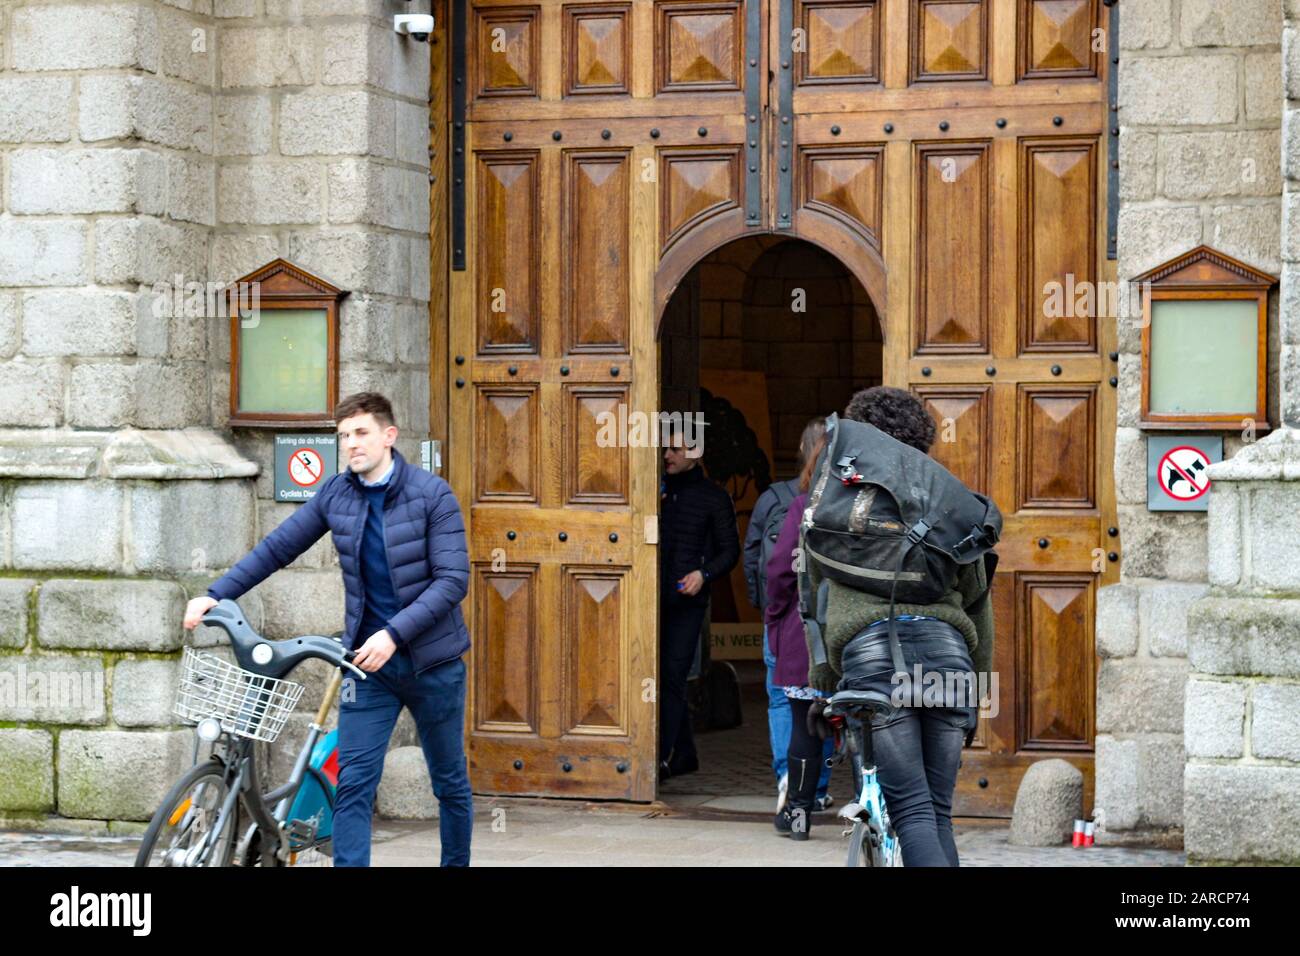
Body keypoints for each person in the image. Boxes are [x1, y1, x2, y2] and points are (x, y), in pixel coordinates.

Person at [181, 392, 474, 867]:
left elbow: (452, 580)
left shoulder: (431, 495)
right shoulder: (337, 494)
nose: (351, 444)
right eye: (343, 436)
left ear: (388, 436)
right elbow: (278, 548)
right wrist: (216, 593)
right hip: (365, 667)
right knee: (354, 782)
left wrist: (393, 634)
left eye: (361, 433)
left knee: (449, 782)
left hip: (432, 665)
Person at [804, 386, 994, 866]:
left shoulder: (837, 506)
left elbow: (815, 600)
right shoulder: (945, 503)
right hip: (948, 659)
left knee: (910, 811)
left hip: (873, 660)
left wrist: (824, 684)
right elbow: (977, 604)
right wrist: (975, 694)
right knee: (936, 812)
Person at [745, 419, 835, 813]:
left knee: (786, 705)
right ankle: (817, 791)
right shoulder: (856, 502)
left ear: (804, 451)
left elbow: (761, 560)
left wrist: (767, 610)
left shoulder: (782, 499)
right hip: (840, 628)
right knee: (832, 707)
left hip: (788, 623)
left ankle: (791, 785)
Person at [658, 426, 740, 779]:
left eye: (675, 449)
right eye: (665, 449)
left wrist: (703, 575)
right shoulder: (651, 491)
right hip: (646, 600)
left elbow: (730, 552)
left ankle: (660, 758)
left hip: (685, 604)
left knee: (672, 676)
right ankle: (685, 754)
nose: (667, 456)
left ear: (695, 453)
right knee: (652, 677)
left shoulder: (714, 497)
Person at [763, 425, 829, 839]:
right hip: (865, 636)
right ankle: (872, 814)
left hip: (809, 634)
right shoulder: (874, 507)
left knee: (805, 727)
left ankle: (799, 816)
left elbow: (780, 570)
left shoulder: (804, 507)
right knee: (864, 726)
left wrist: (773, 615)